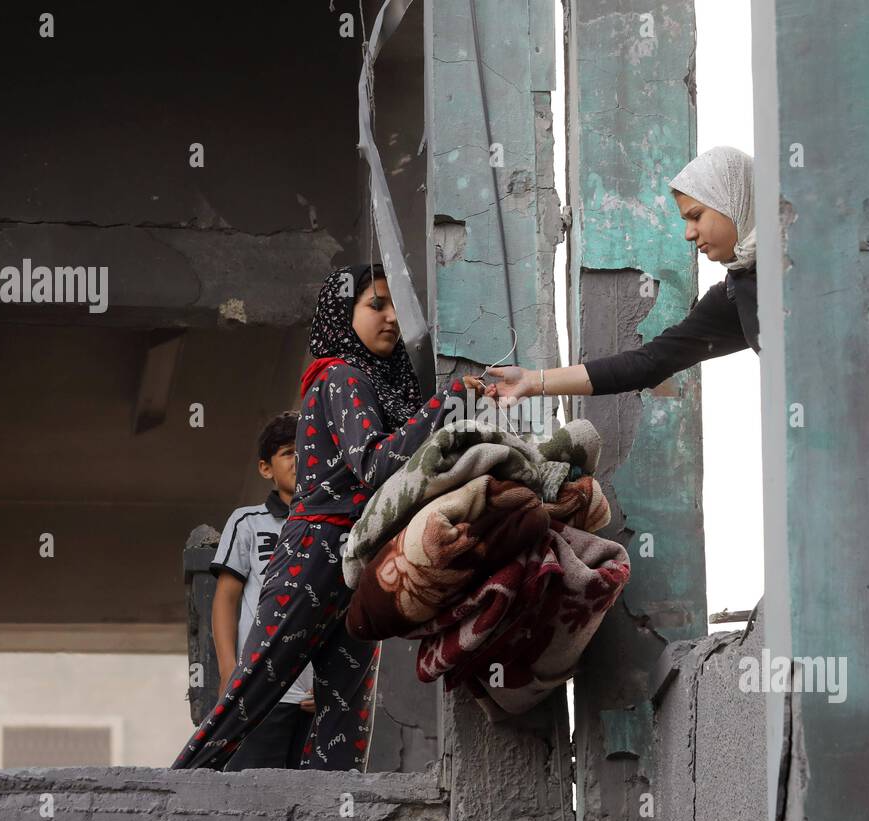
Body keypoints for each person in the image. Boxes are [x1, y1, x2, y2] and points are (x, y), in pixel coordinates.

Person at [172, 264, 487, 772]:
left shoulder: (385, 385)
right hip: (314, 552)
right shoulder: (342, 376)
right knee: (250, 695)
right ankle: (177, 796)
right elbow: (375, 465)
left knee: (346, 717)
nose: (389, 319)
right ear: (345, 314)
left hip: (358, 558)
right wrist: (447, 407)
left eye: (394, 308)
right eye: (375, 306)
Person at [486, 146, 759, 401]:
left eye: (696, 215)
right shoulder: (735, 295)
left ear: (733, 199)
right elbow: (650, 362)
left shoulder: (797, 257)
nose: (689, 234)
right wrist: (533, 381)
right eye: (686, 221)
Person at [208, 412, 317, 771]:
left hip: (315, 699)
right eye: (288, 452)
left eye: (306, 449)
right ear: (265, 468)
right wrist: (229, 673)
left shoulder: (335, 525)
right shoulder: (247, 522)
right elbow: (225, 600)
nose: (299, 459)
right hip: (258, 694)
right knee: (253, 797)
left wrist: (334, 683)